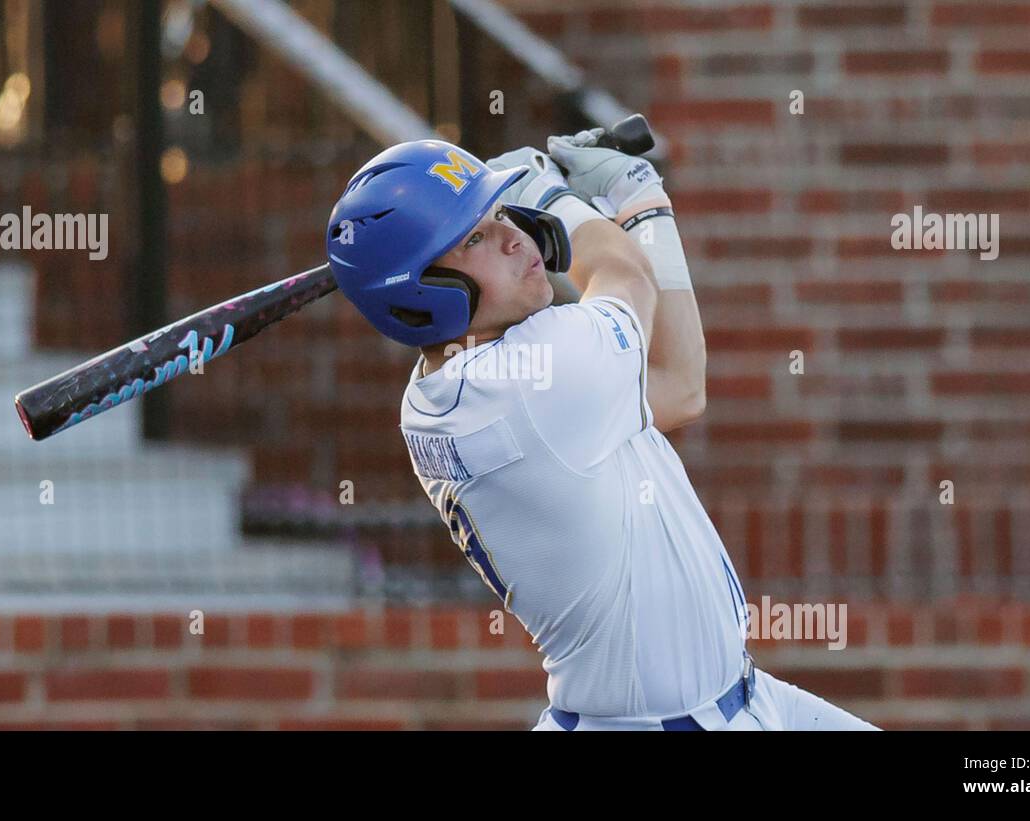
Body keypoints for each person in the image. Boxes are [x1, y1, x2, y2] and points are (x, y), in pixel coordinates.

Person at [326, 131, 879, 730]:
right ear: (418, 294)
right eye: (477, 238)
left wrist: (647, 210)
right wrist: (567, 194)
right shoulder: (527, 381)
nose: (518, 237)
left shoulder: (451, 387)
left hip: (742, 699)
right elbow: (626, 275)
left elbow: (680, 381)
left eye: (502, 214)